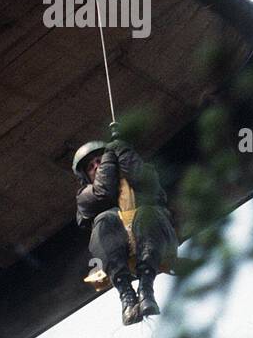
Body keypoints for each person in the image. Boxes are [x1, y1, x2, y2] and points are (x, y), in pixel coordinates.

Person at [72, 137, 177, 326]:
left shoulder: (145, 175)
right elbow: (103, 192)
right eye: (91, 166)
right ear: (85, 177)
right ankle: (127, 296)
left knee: (147, 212)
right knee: (105, 219)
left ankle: (146, 290)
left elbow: (142, 178)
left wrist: (121, 150)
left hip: (156, 244)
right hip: (118, 253)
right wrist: (109, 158)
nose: (97, 167)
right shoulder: (84, 198)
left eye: (100, 161)